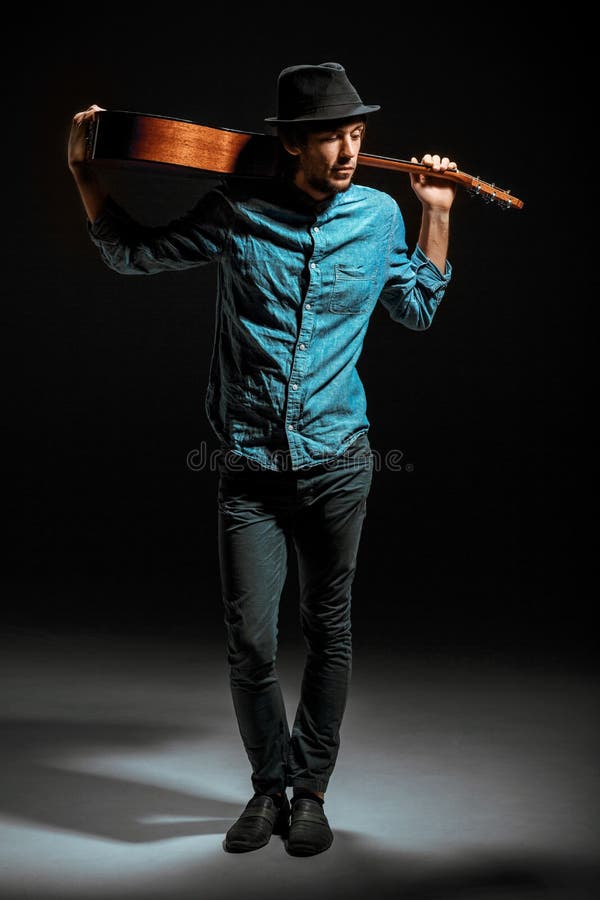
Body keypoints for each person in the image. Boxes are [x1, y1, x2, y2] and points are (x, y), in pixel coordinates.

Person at [68, 61, 458, 857]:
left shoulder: (382, 215)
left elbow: (417, 306)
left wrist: (438, 215)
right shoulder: (237, 210)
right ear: (291, 144)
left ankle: (310, 792)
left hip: (340, 462)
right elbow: (132, 254)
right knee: (251, 640)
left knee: (329, 629)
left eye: (356, 132)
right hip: (247, 466)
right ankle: (267, 786)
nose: (348, 149)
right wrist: (83, 170)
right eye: (329, 135)